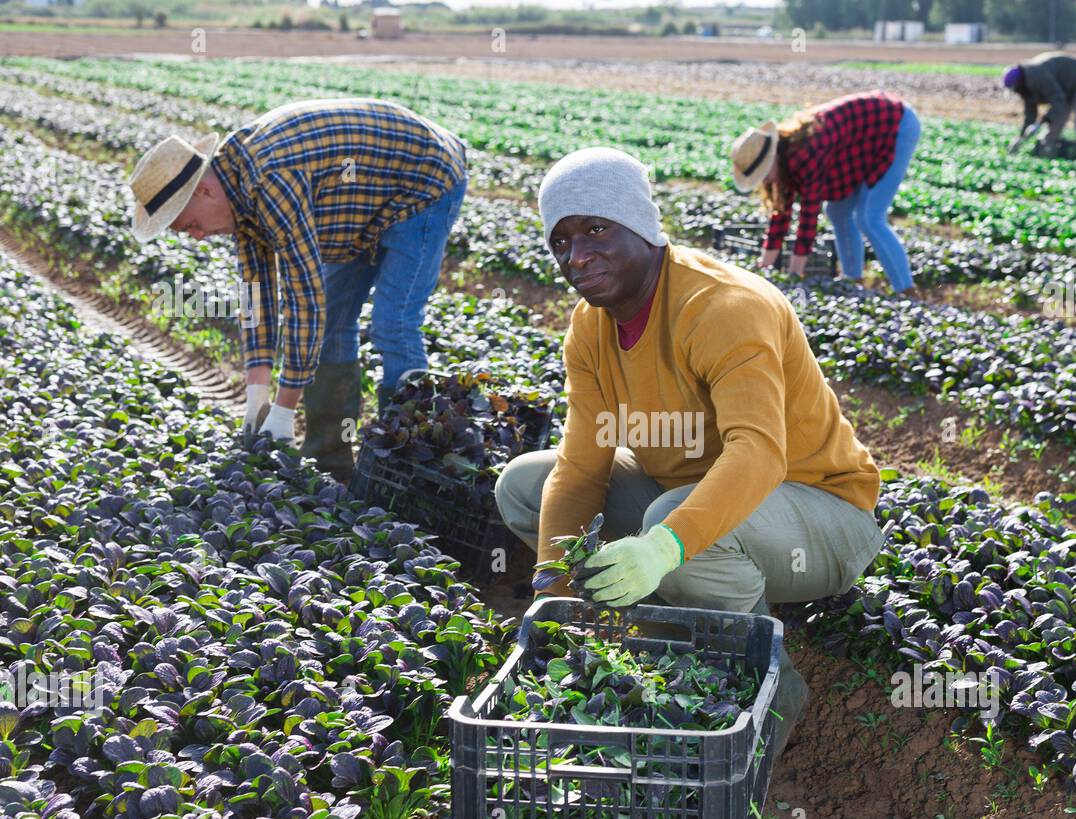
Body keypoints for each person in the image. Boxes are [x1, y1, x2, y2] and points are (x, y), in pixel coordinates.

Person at [494, 147, 887, 757]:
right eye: (562, 241)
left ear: (642, 227)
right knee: (524, 483)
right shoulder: (590, 327)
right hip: (698, 498)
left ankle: (767, 685)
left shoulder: (723, 308)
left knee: (669, 524)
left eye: (596, 229)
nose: (578, 256)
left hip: (822, 512)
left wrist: (665, 546)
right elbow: (580, 466)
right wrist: (550, 584)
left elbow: (758, 453)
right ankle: (667, 616)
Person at [126, 98, 468, 482]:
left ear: (204, 191)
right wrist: (257, 391)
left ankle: (408, 468)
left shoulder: (271, 178)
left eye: (191, 225)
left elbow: (304, 295)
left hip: (423, 179)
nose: (199, 235)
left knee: (394, 321)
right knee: (336, 319)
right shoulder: (234, 190)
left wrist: (285, 407)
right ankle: (331, 460)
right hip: (357, 201)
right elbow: (256, 292)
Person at [729, 92, 921, 295]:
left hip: (894, 125)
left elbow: (808, 216)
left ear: (771, 158)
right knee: (838, 213)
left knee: (869, 218)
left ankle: (906, 290)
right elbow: (780, 215)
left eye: (764, 174)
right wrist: (764, 270)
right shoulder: (783, 159)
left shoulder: (804, 153)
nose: (764, 181)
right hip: (861, 140)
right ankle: (853, 279)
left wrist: (795, 275)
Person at [1003, 52, 1076, 155]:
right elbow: (1030, 115)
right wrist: (1020, 139)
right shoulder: (1025, 88)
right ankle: (1049, 147)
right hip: (1062, 88)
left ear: (1018, 83)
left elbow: (1058, 100)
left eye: (1014, 89)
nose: (1015, 92)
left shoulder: (1039, 77)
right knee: (1056, 121)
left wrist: (1042, 121)